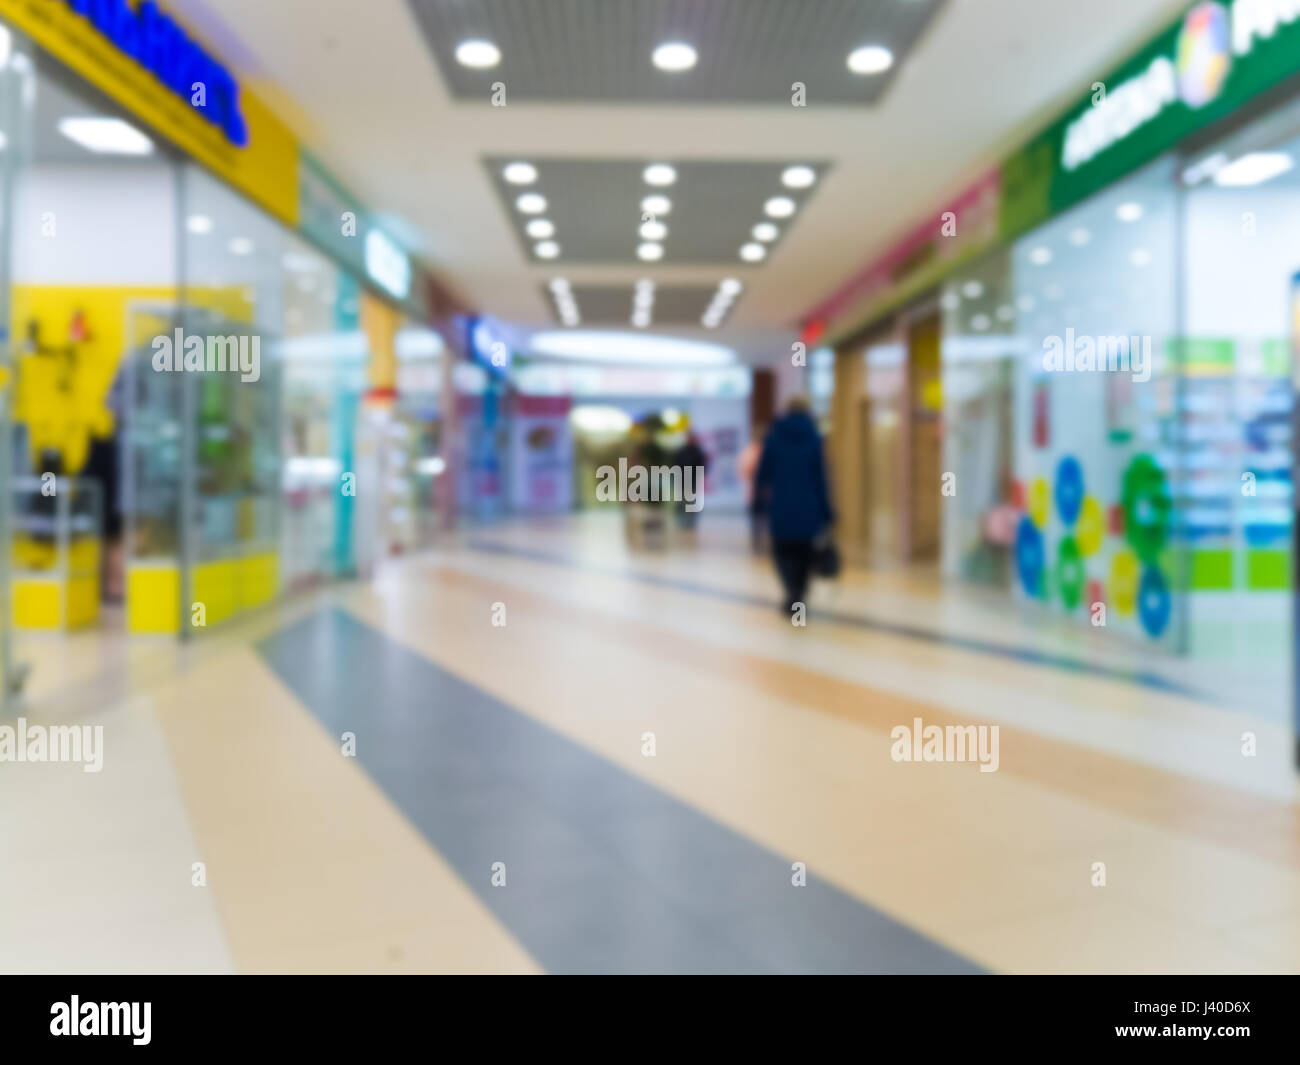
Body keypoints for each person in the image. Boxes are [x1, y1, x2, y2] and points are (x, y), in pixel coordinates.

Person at [756, 396, 833, 615]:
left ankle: (791, 591)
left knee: (783, 553)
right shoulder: (814, 438)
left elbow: (763, 474)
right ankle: (798, 594)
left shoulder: (773, 437)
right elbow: (821, 479)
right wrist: (827, 511)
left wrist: (758, 504)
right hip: (810, 507)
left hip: (781, 507)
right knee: (805, 554)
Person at [672, 431, 709, 541]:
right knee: (682, 502)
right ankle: (682, 523)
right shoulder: (681, 451)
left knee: (692, 503)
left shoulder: (698, 452)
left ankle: (691, 524)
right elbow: (676, 465)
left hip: (693, 481)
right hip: (682, 481)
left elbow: (702, 466)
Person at [737, 423, 767, 554]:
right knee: (760, 519)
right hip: (759, 492)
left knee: (759, 519)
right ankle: (759, 542)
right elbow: (744, 471)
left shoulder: (751, 451)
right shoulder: (754, 451)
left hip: (758, 492)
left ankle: (760, 542)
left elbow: (743, 471)